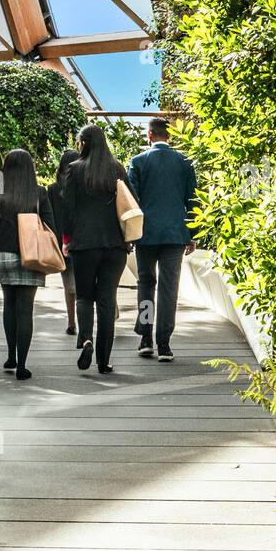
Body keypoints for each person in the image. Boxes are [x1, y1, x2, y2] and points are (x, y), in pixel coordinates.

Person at [0, 149, 58, 382]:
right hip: (31, 257)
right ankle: (22, 365)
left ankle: (10, 356)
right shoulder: (39, 194)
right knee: (25, 310)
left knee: (9, 306)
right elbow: (51, 227)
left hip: (3, 256)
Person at [62, 125, 131, 375]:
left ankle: (86, 339)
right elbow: (131, 204)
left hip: (84, 244)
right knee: (106, 300)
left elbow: (67, 210)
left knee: (84, 296)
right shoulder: (117, 169)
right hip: (115, 246)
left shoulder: (75, 170)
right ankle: (104, 360)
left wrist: (67, 238)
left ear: (84, 143)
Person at [127, 117, 197, 363]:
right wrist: (192, 235)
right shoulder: (185, 162)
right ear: (170, 136)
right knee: (169, 289)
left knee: (146, 284)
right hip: (175, 234)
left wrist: (131, 233)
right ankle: (164, 343)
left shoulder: (137, 162)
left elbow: (131, 201)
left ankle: (145, 338)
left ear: (149, 135)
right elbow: (193, 200)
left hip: (145, 235)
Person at [47, 148, 79, 336]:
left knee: (70, 287)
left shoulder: (52, 189)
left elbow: (49, 218)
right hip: (81, 240)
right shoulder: (83, 186)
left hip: (61, 241)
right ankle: (76, 321)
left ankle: (71, 321)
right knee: (84, 284)